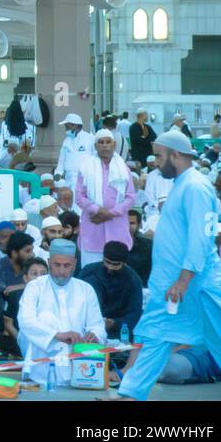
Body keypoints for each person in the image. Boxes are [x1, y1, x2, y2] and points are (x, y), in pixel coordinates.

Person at [113, 130, 221, 401]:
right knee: (156, 335)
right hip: (174, 287)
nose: (155, 162)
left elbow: (201, 239)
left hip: (197, 288)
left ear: (176, 154)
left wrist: (184, 280)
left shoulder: (195, 187)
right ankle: (130, 395)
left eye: (159, 155)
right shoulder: (183, 184)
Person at [15, 238, 105, 384]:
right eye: (57, 265)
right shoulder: (35, 286)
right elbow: (26, 321)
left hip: (77, 363)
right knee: (46, 318)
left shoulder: (86, 289)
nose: (61, 271)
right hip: (41, 364)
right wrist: (57, 335)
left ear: (75, 264)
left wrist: (94, 335)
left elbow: (97, 325)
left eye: (66, 265)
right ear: (49, 262)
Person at [75, 130, 135, 268]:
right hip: (93, 227)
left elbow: (130, 197)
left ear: (114, 145)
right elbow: (79, 196)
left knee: (117, 274)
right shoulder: (86, 167)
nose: (105, 145)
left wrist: (109, 214)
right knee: (91, 272)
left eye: (108, 142)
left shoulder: (123, 168)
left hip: (117, 228)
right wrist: (97, 209)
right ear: (96, 146)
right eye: (101, 142)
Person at [78, 241, 144, 341]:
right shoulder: (89, 271)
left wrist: (114, 323)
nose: (110, 267)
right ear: (103, 258)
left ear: (124, 263)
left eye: (115, 264)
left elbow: (135, 313)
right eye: (107, 262)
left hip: (118, 332)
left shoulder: (133, 280)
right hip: (87, 327)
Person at [53, 113, 96, 191]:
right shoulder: (66, 141)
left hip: (85, 178)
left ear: (75, 126)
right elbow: (61, 160)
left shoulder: (90, 138)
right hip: (69, 178)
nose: (66, 129)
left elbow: (96, 157)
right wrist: (58, 173)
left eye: (67, 126)